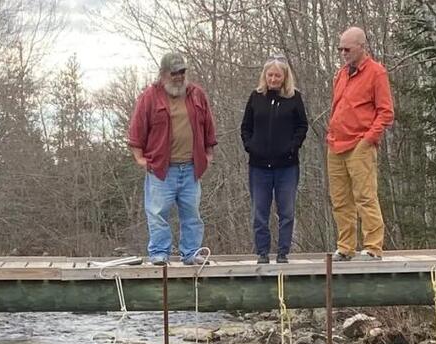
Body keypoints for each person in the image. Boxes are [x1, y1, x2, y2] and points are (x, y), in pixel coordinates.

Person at [128, 52, 218, 266]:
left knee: (192, 214)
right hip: (161, 169)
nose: (178, 76)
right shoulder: (150, 96)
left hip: (191, 167)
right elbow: (137, 129)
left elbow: (208, 127)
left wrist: (208, 154)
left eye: (182, 72)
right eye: (174, 72)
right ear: (163, 74)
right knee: (158, 213)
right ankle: (159, 253)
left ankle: (191, 253)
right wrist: (140, 158)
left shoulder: (197, 94)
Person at [326, 27, 394, 261]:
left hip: (360, 144)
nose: (343, 53)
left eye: (347, 48)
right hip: (335, 144)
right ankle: (345, 247)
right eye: (340, 49)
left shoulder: (376, 73)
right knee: (340, 200)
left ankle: (373, 247)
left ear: (361, 47)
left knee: (365, 196)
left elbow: (386, 113)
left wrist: (368, 139)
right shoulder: (341, 74)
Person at [240, 55, 309, 264]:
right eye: (270, 75)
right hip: (259, 166)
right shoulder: (256, 97)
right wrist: (250, 146)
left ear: (284, 77)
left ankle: (283, 252)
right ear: (265, 76)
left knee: (286, 211)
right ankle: (262, 252)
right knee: (260, 211)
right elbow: (245, 127)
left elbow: (302, 126)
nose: (273, 79)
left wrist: (292, 146)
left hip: (286, 166)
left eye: (277, 75)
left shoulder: (294, 98)